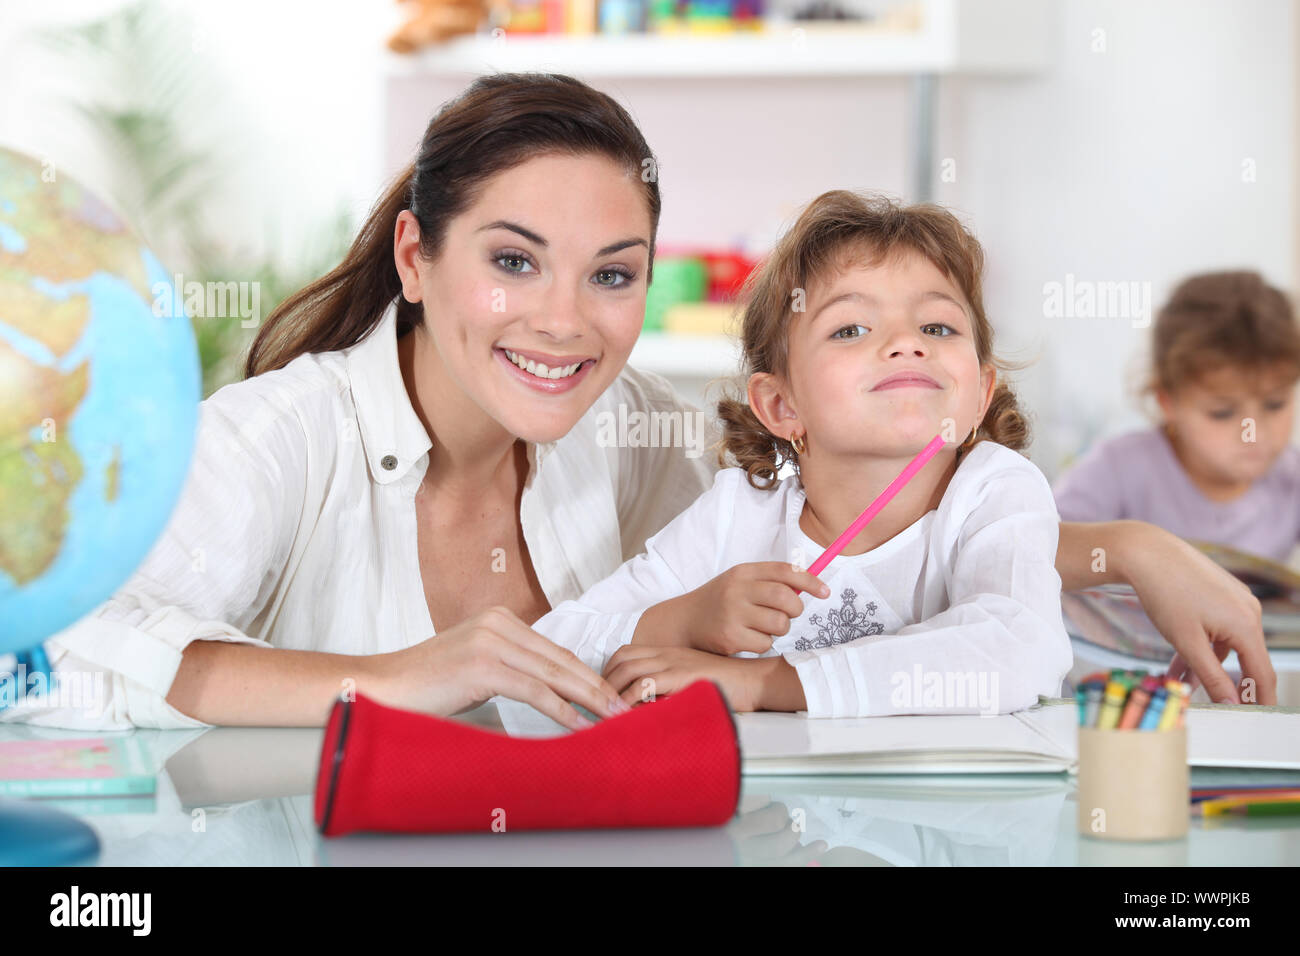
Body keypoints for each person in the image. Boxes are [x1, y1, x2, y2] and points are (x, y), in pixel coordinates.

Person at [4, 73, 1275, 732]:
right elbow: (55, 653)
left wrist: (1126, 545)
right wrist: (385, 679)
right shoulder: (283, 435)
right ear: (413, 256)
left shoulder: (637, 428)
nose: (565, 321)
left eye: (611, 274)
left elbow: (869, 541)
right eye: (512, 260)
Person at [507, 191, 1072, 718]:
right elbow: (548, 651)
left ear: (980, 392)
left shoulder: (996, 493)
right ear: (780, 405)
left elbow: (1019, 648)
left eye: (936, 325)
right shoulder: (737, 515)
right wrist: (681, 620)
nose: (907, 342)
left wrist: (766, 683)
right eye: (850, 328)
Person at [1054, 270, 1300, 563]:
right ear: (1167, 402)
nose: (1254, 432)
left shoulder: (1292, 478)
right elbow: (1041, 548)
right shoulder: (1117, 469)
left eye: (1274, 404)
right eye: (1222, 413)